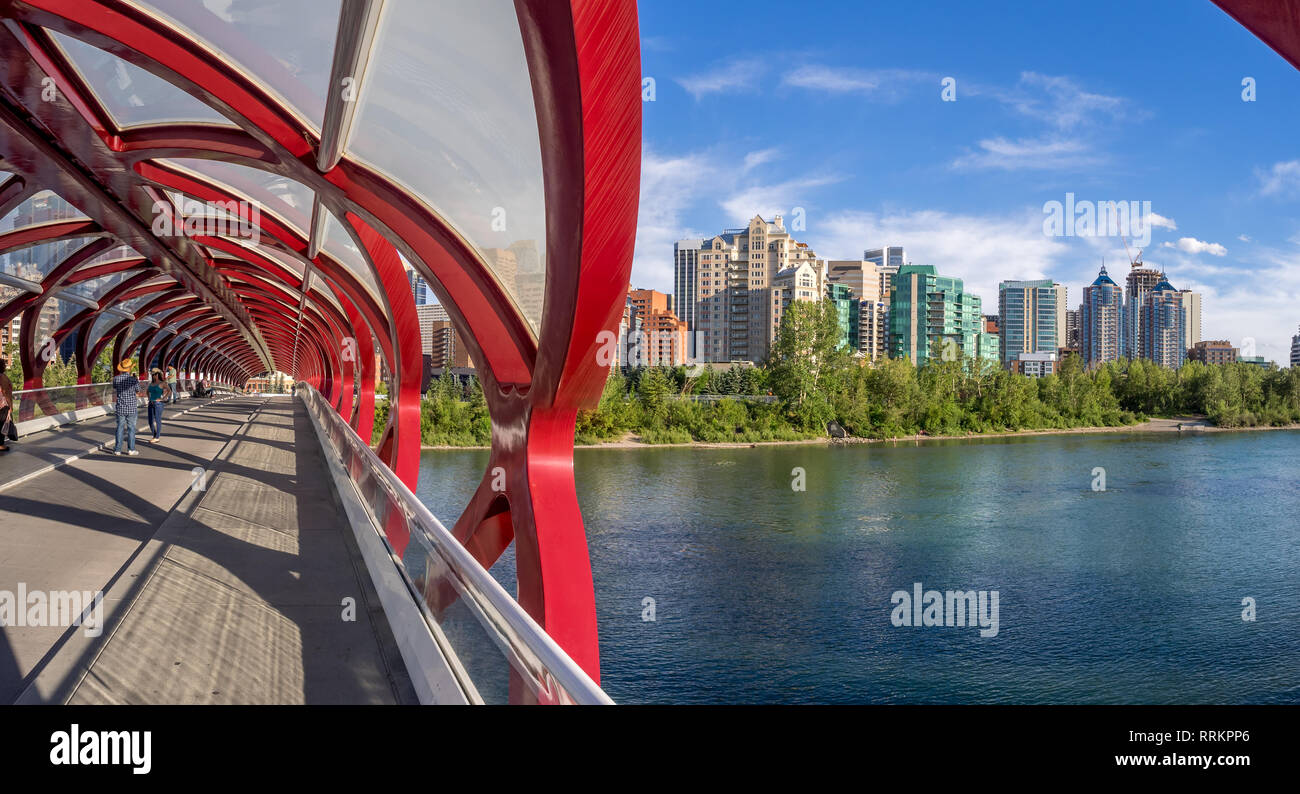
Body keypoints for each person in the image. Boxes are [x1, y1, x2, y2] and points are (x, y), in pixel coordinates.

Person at [111, 359, 140, 456]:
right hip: (131, 408)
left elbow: (115, 387)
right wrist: (136, 379)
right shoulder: (133, 380)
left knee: (119, 428)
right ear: (130, 369)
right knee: (131, 429)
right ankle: (131, 449)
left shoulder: (116, 379)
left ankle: (117, 450)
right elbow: (138, 390)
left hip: (120, 407)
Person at [146, 371, 169, 443]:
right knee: (150, 421)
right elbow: (147, 391)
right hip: (151, 403)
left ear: (157, 375)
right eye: (152, 374)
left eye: (153, 374)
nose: (152, 376)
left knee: (158, 420)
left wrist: (163, 398)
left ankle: (157, 437)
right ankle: (154, 435)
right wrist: (149, 398)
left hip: (158, 404)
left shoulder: (162, 383)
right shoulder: (151, 383)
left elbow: (169, 391)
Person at [0, 358, 13, 454]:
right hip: (2, 405)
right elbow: (6, 392)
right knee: (1, 424)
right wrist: (10, 405)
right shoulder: (2, 377)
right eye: (4, 365)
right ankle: (0, 445)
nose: (5, 366)